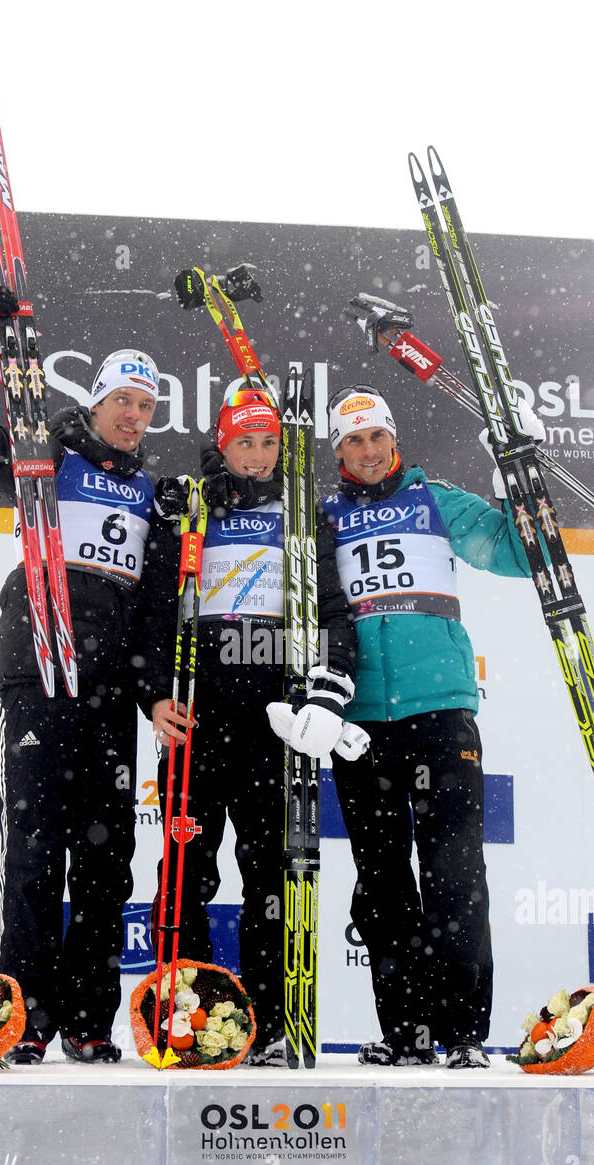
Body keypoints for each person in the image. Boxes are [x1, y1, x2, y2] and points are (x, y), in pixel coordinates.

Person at [0, 283, 158, 1064]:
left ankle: (88, 1020)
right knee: (34, 854)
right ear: (94, 404)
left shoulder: (148, 496)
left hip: (108, 692)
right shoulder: (45, 460)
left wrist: (149, 687)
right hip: (37, 675)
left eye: (146, 406)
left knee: (106, 862)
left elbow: (155, 608)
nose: (133, 416)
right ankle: (21, 1016)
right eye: (121, 400)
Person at [138, 382, 358, 1065]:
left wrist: (325, 696)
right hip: (198, 717)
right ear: (222, 444)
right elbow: (150, 610)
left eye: (268, 443)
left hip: (275, 723)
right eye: (244, 442)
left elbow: (333, 615)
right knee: (184, 872)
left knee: (270, 876)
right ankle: (187, 1019)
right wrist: (152, 697)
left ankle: (267, 1020)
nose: (257, 456)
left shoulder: (302, 515)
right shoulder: (189, 508)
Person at [319, 384, 533, 1068]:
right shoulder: (321, 518)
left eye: (375, 436)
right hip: (358, 718)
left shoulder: (431, 498)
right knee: (381, 882)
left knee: (453, 875)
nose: (368, 451)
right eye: (352, 441)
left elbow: (518, 553)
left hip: (439, 709)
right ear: (338, 452)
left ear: (392, 439)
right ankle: (405, 1030)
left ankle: (464, 1033)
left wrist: (517, 476)